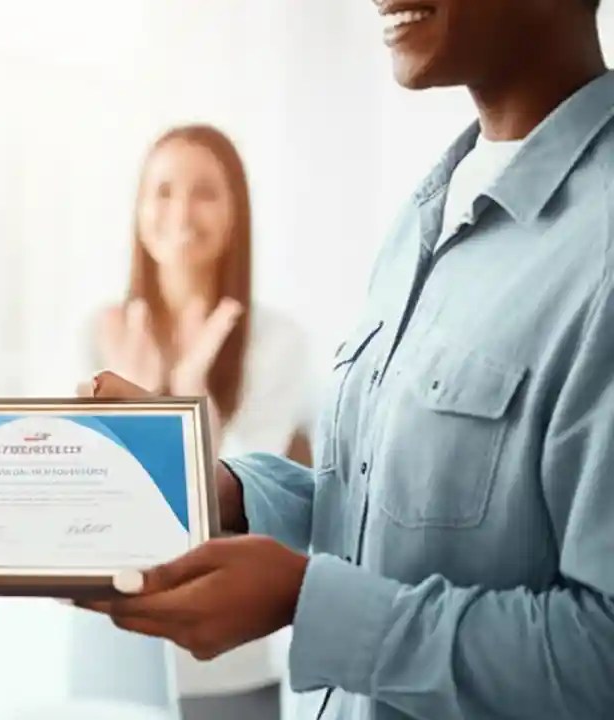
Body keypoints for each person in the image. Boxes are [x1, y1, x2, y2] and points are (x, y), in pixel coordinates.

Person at [82, 0, 614, 719]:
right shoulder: (426, 212)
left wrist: (306, 600)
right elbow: (384, 507)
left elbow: (601, 657)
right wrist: (231, 491)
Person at [69, 125, 312, 719]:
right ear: (138, 209)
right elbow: (78, 491)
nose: (181, 211)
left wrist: (190, 395)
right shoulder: (99, 333)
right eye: (163, 191)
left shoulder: (277, 342)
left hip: (228, 659)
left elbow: (248, 500)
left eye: (205, 191)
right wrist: (142, 391)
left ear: (236, 212)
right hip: (110, 642)